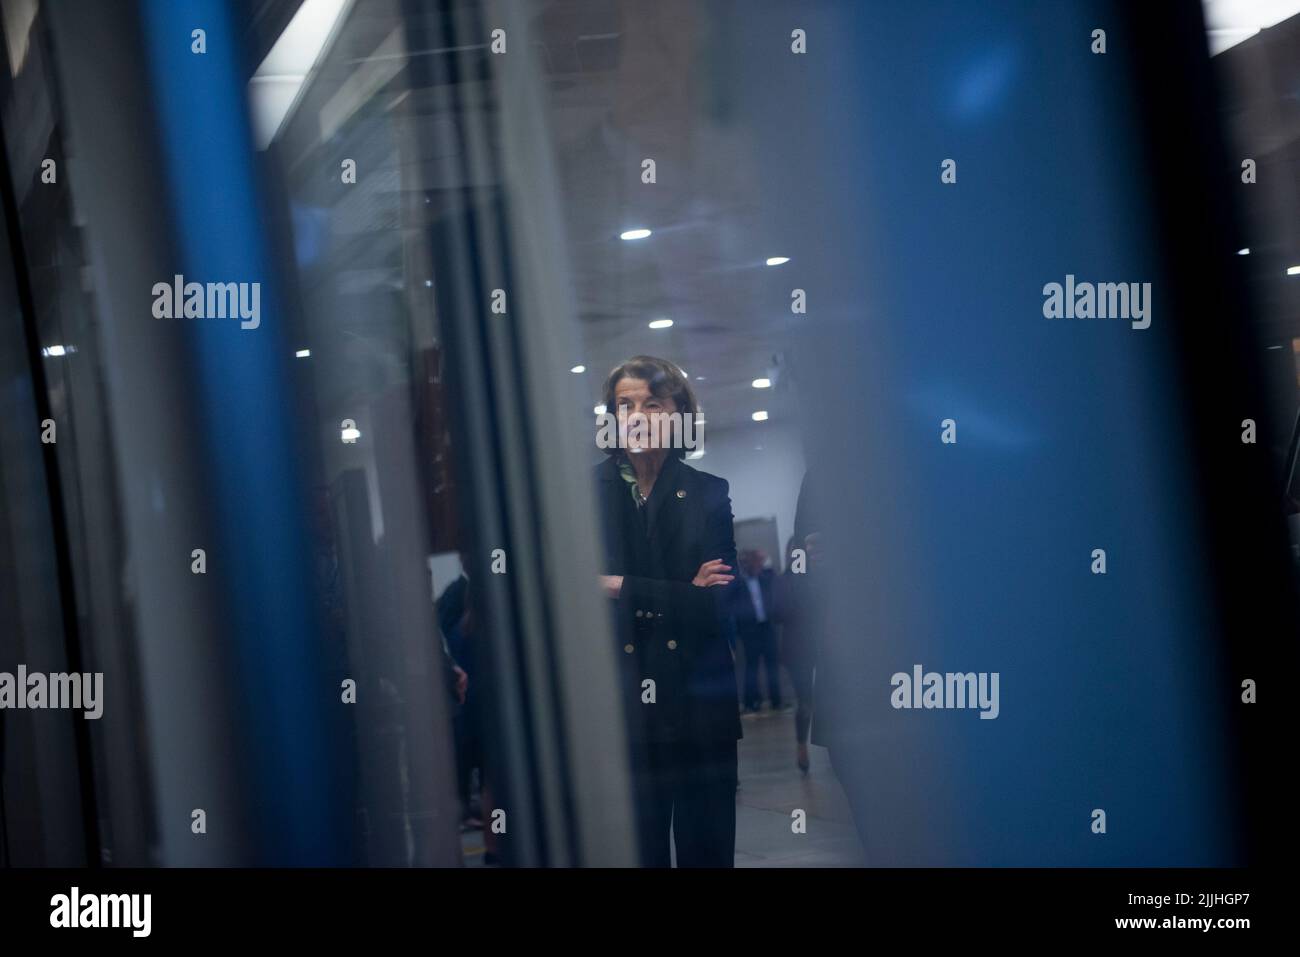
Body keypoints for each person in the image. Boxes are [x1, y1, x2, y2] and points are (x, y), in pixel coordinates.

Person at [594, 355, 740, 867]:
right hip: (622, 713)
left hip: (702, 712)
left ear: (678, 414)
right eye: (624, 405)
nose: (636, 415)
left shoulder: (708, 493)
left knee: (708, 853)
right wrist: (682, 591)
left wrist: (619, 586)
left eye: (652, 404)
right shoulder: (584, 496)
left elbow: (719, 604)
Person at [774, 536, 815, 773]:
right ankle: (801, 744)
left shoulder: (816, 577)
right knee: (805, 702)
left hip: (820, 647)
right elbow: (777, 612)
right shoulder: (784, 581)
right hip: (797, 651)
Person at [730, 548, 782, 713]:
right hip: (749, 630)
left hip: (766, 627)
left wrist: (762, 559)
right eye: (746, 562)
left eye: (752, 561)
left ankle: (776, 701)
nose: (749, 565)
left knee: (772, 665)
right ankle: (751, 702)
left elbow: (771, 571)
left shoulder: (765, 577)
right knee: (751, 667)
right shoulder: (738, 583)